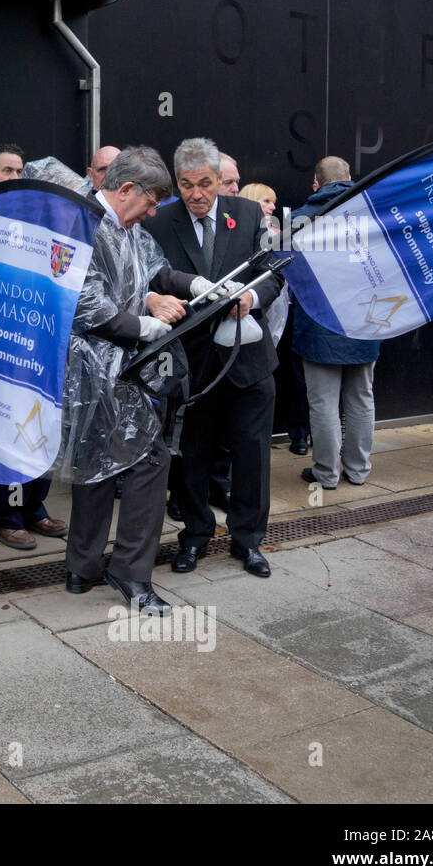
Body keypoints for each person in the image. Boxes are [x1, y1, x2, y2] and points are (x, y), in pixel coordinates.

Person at [59, 146, 207, 615]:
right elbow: (86, 303)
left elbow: (155, 271)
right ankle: (131, 574)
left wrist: (197, 285)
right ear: (126, 190)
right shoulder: (85, 226)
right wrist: (143, 326)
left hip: (113, 369)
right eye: (151, 200)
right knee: (148, 461)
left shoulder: (124, 228)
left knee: (97, 460)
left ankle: (81, 567)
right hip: (100, 365)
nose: (154, 210)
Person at [145, 137, 281, 579]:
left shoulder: (245, 214)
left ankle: (248, 541)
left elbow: (272, 273)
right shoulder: (160, 222)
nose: (197, 194)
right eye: (187, 185)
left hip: (249, 360)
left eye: (206, 183)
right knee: (192, 458)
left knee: (252, 455)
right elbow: (148, 277)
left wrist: (252, 298)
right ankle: (195, 537)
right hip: (192, 365)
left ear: (221, 179)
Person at [0, 142, 69, 550]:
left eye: (20, 171)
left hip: (41, 342)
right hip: (0, 346)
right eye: (8, 170)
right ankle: (6, 514)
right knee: (9, 434)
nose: (15, 178)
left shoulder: (40, 220)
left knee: (42, 428)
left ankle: (35, 509)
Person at [289, 157, 379, 489]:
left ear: (316, 184)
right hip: (366, 320)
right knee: (361, 397)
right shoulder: (370, 213)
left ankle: (326, 474)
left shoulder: (298, 219)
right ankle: (358, 470)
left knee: (323, 403)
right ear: (350, 178)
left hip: (317, 325)